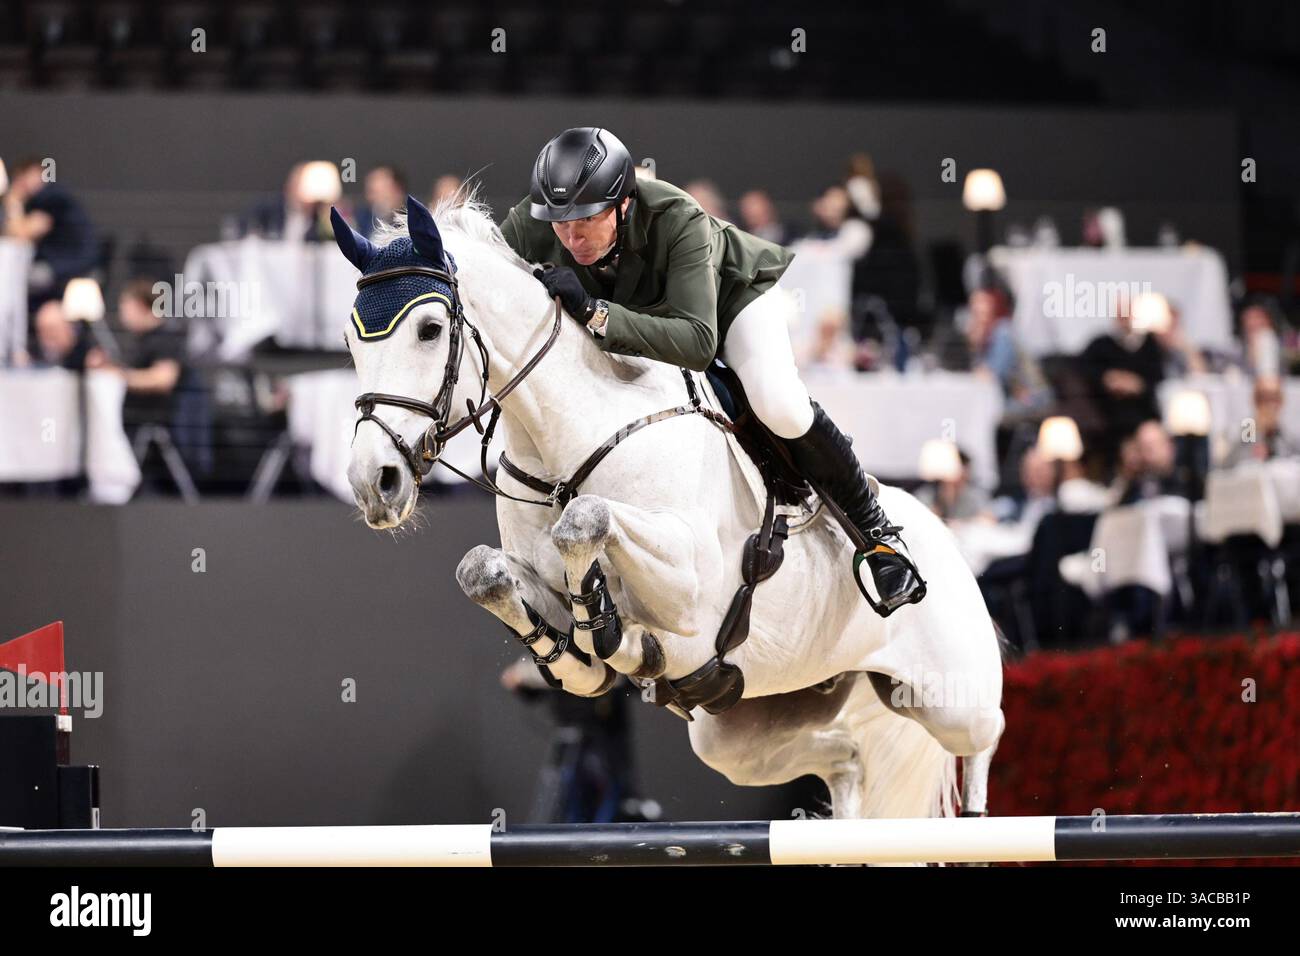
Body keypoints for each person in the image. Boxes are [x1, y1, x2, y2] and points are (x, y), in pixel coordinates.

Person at [499, 127, 925, 616]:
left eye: (587, 220)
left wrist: (596, 313)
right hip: (641, 321)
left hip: (726, 304)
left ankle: (878, 536)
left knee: (777, 403)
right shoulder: (540, 222)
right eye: (560, 224)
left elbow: (698, 342)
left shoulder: (677, 217)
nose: (571, 237)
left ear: (623, 203)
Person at [2, 158, 98, 313]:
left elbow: (21, 233)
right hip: (58, 263)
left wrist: (13, 201)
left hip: (67, 265)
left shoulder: (51, 196)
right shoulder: (43, 198)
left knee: (12, 280)